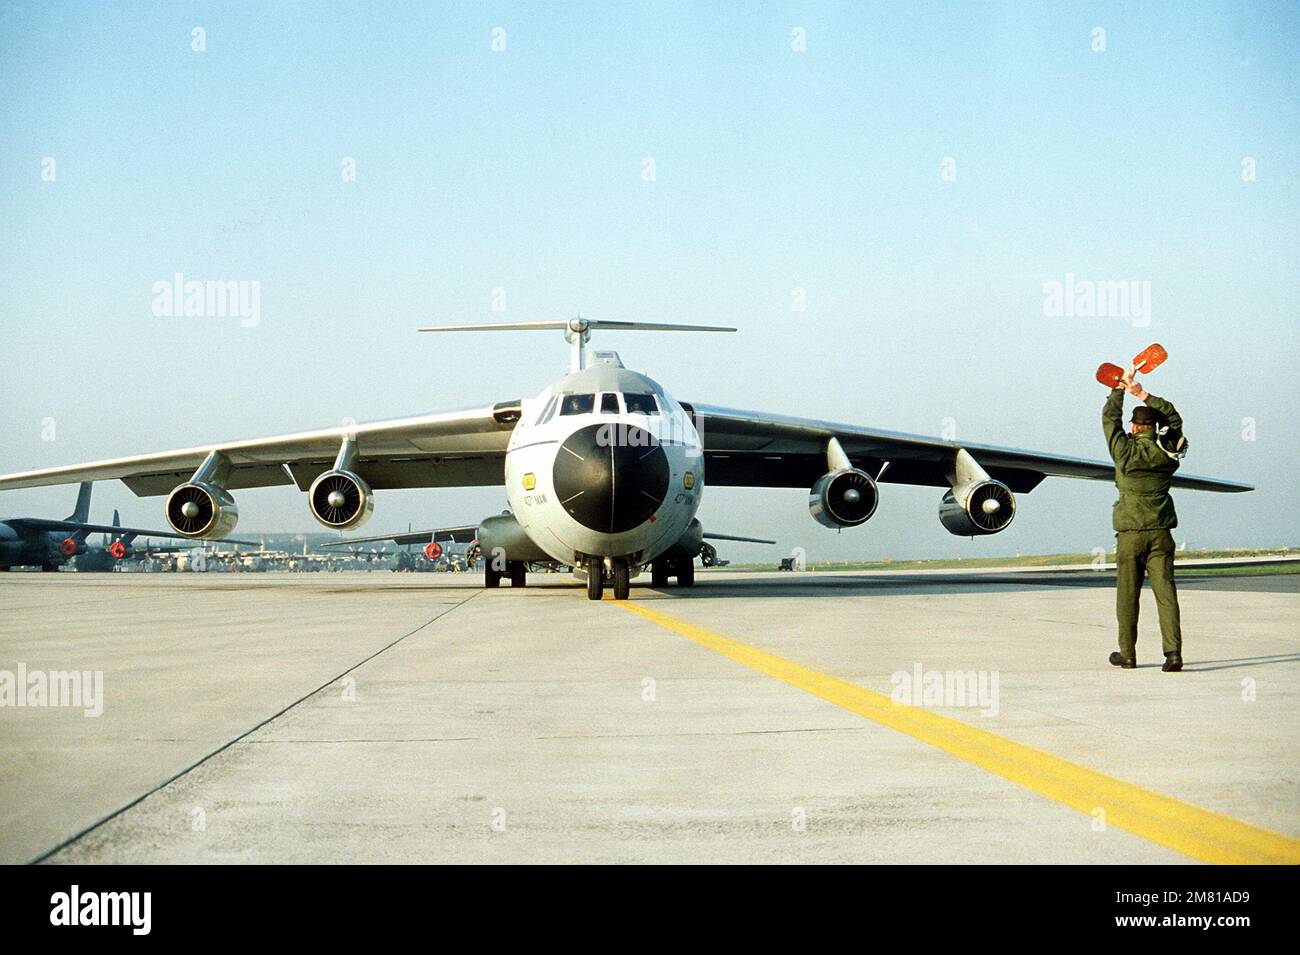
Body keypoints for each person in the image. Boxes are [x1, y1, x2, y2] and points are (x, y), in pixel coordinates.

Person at [1102, 366, 1184, 672]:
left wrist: (1119, 389)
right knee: (1166, 594)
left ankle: (1128, 654)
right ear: (1154, 426)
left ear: (1134, 428)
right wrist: (1142, 393)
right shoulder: (1169, 450)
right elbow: (1174, 418)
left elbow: (1109, 420)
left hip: (1130, 534)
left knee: (1127, 596)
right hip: (1162, 534)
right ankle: (1173, 654)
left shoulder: (1124, 451)